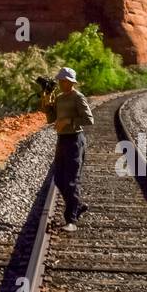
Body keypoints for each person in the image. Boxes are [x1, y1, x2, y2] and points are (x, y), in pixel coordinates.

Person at [42, 67, 94, 232]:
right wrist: (47, 100)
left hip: (75, 140)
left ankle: (71, 221)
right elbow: (51, 118)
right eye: (60, 80)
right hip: (62, 140)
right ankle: (76, 206)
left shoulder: (78, 97)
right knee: (59, 178)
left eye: (64, 81)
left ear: (71, 82)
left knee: (71, 180)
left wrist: (68, 121)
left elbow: (89, 119)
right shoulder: (59, 97)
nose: (61, 83)